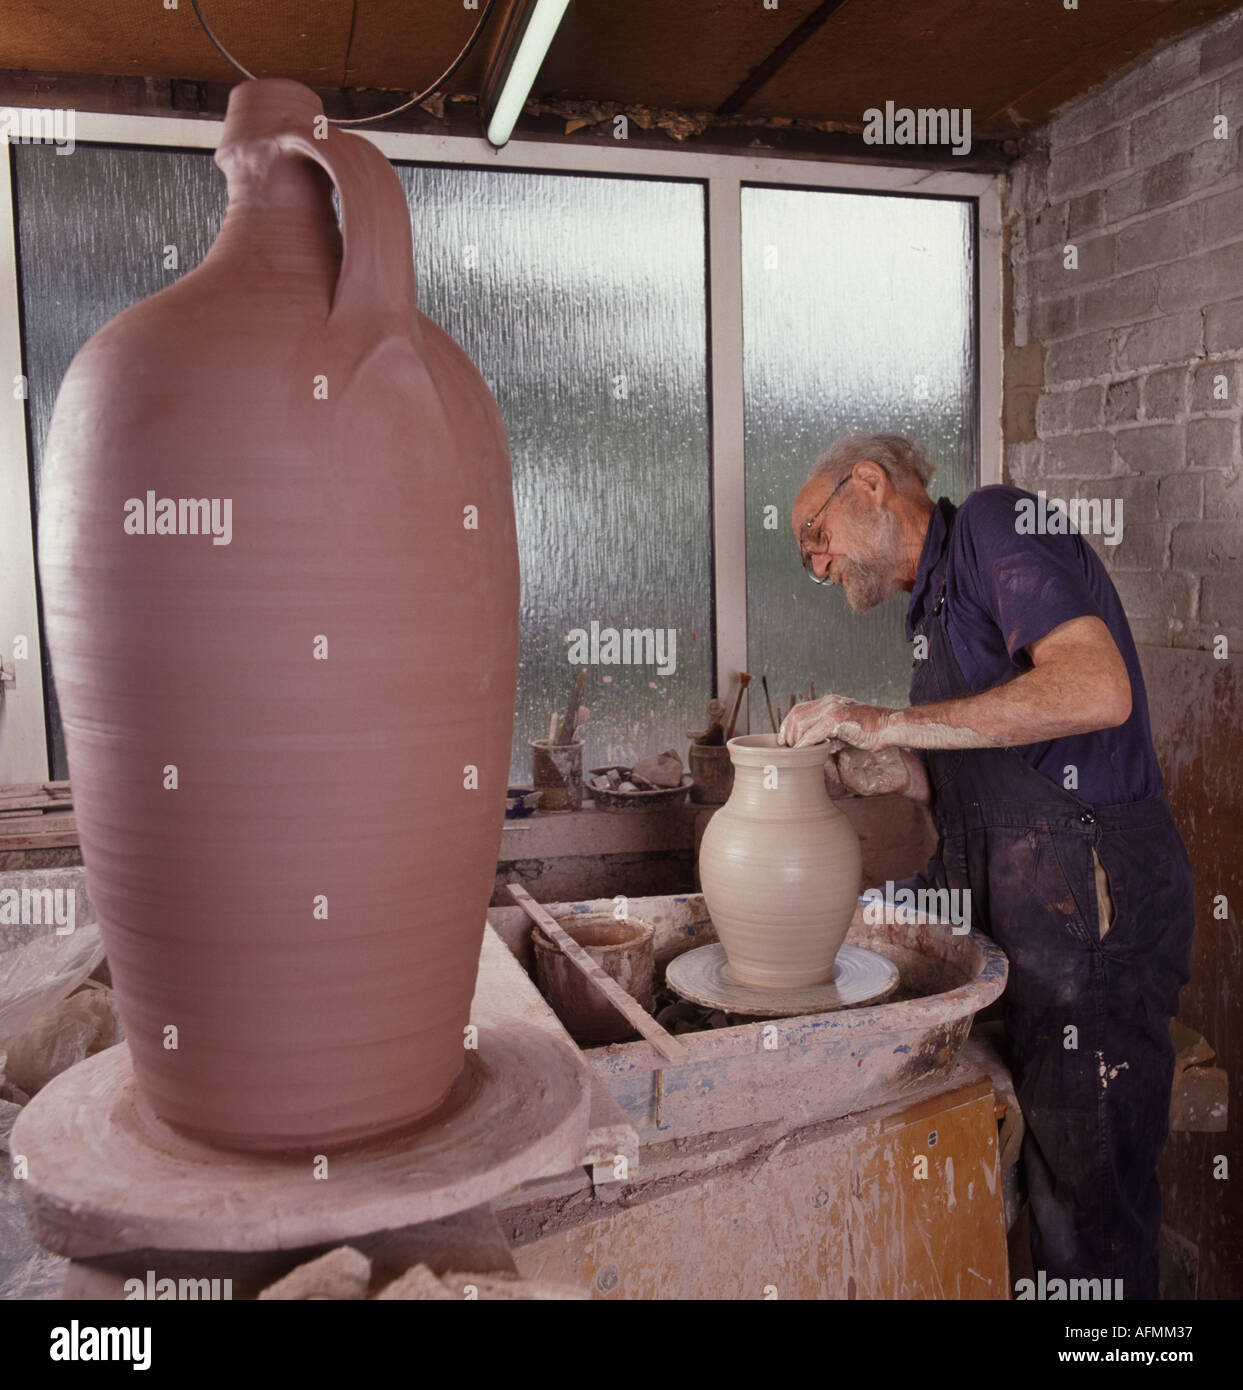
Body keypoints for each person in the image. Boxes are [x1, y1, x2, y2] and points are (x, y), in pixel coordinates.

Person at [780, 431, 1194, 1299]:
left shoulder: (997, 526)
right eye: (807, 560)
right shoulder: (929, 609)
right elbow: (985, 764)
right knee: (1049, 1179)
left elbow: (1094, 691)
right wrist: (890, 768)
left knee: (1087, 1204)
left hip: (1089, 903)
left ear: (869, 484)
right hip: (1011, 893)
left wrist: (883, 720)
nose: (818, 567)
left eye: (815, 535)